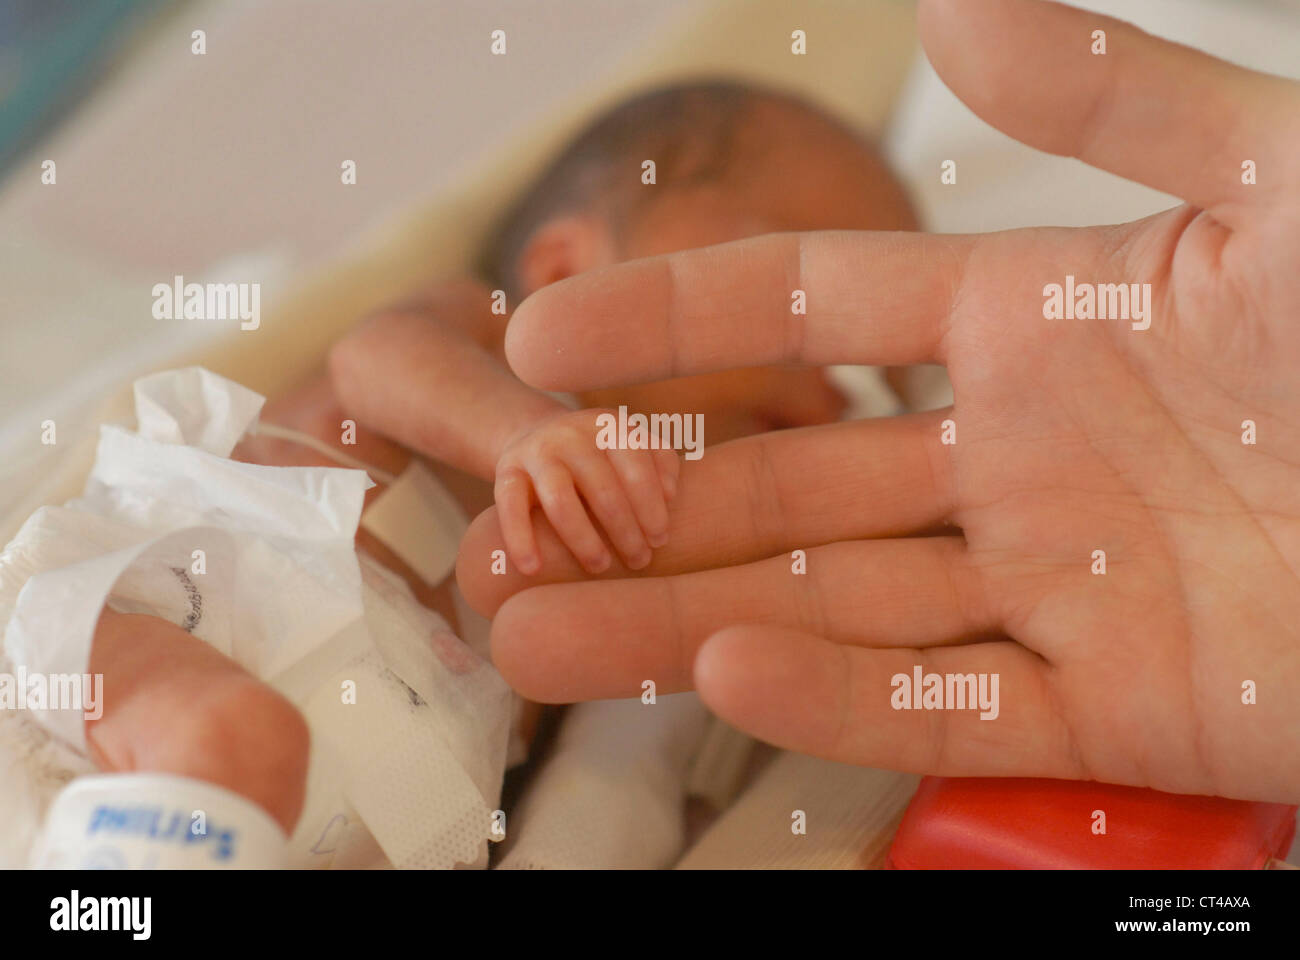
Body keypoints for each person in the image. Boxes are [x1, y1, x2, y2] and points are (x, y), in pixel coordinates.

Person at [457, 0, 1300, 804]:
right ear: (565, 272)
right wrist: (521, 432)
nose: (840, 378)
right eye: (793, 306)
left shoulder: (722, 555)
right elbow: (368, 355)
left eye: (872, 365)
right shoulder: (472, 338)